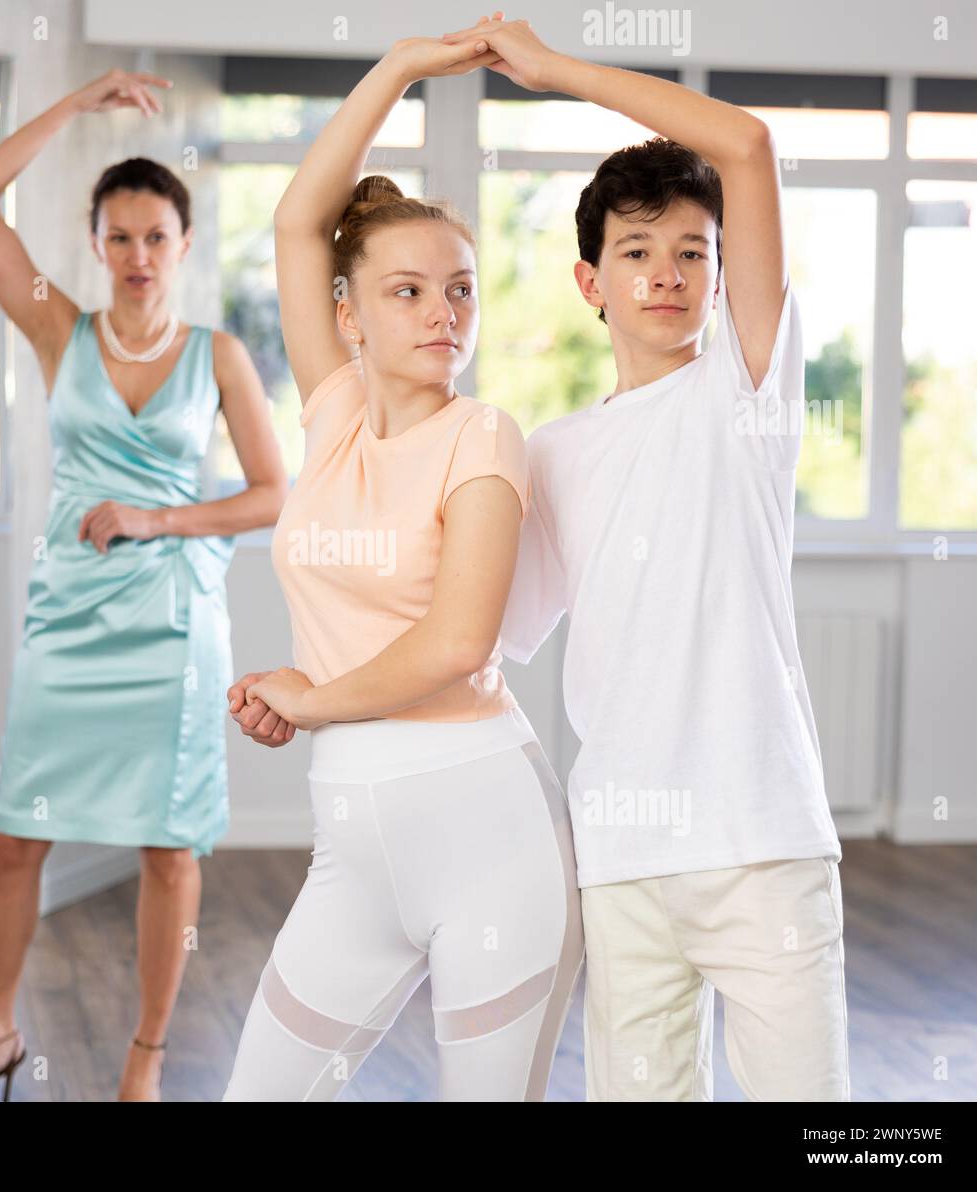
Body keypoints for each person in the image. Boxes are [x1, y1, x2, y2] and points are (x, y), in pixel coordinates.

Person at [441, 17, 848, 1100]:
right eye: (636, 251)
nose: (666, 275)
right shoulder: (552, 455)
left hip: (759, 841)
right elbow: (473, 639)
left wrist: (558, 74)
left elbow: (747, 146)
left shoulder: (744, 396)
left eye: (691, 253)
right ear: (591, 283)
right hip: (620, 854)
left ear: (720, 278)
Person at [221, 33, 584, 1102]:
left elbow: (457, 643)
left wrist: (309, 697)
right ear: (349, 314)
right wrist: (401, 70)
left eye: (460, 291)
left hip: (489, 835)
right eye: (407, 291)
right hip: (353, 848)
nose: (442, 314)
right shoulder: (332, 418)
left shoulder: (485, 436)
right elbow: (298, 221)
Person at [0, 69, 288, 1102]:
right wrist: (79, 102)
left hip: (173, 624)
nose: (138, 257)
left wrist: (159, 516)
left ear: (183, 244)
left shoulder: (218, 355)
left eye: (156, 237)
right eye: (119, 237)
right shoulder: (60, 329)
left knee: (168, 850)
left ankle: (146, 1059)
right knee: (14, 840)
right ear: (96, 244)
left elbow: (273, 495)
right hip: (71, 620)